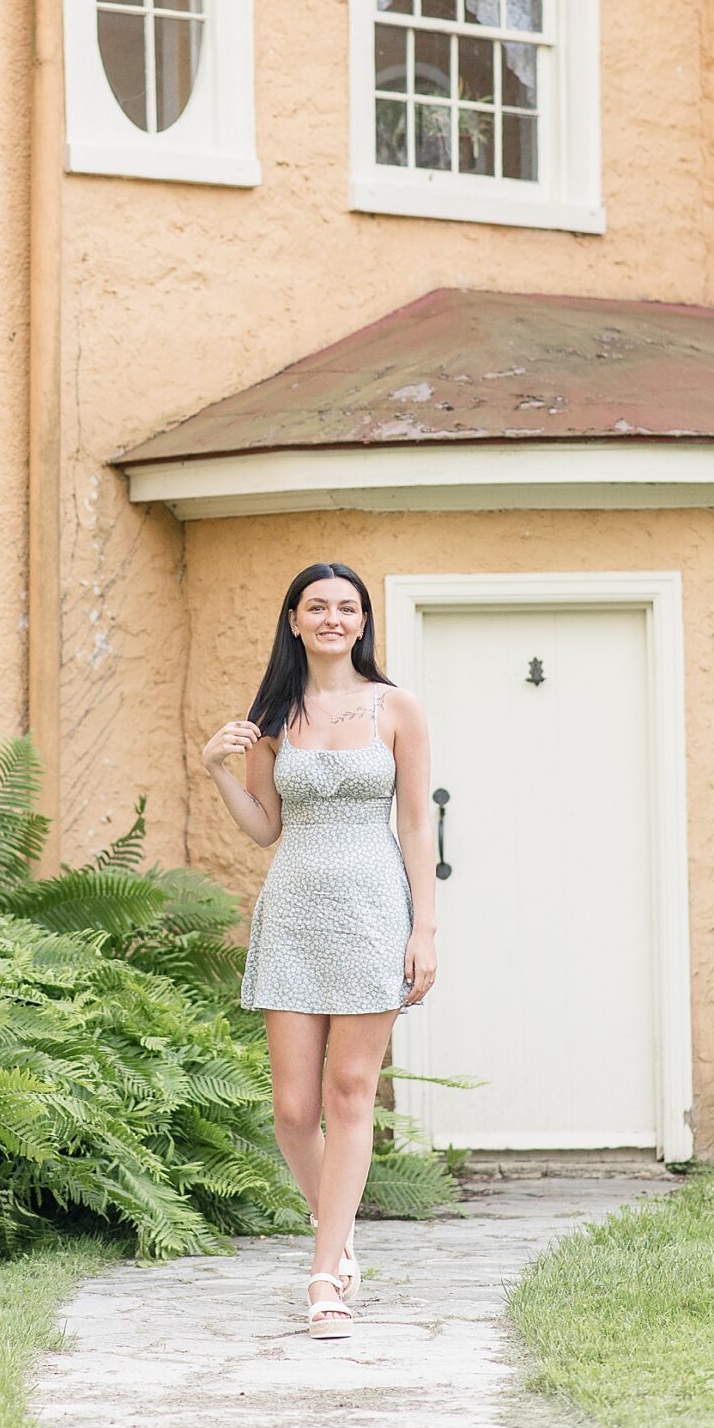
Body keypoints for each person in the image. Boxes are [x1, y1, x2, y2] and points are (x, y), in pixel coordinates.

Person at [201, 561, 438, 1340]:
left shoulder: (396, 706)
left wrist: (424, 928)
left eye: (347, 607)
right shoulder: (270, 713)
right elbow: (265, 826)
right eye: (317, 607)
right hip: (295, 911)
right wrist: (215, 773)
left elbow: (414, 826)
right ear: (294, 619)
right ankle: (333, 1229)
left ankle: (324, 1273)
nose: (333, 618)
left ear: (362, 623)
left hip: (374, 909)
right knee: (293, 1110)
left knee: (349, 1092)